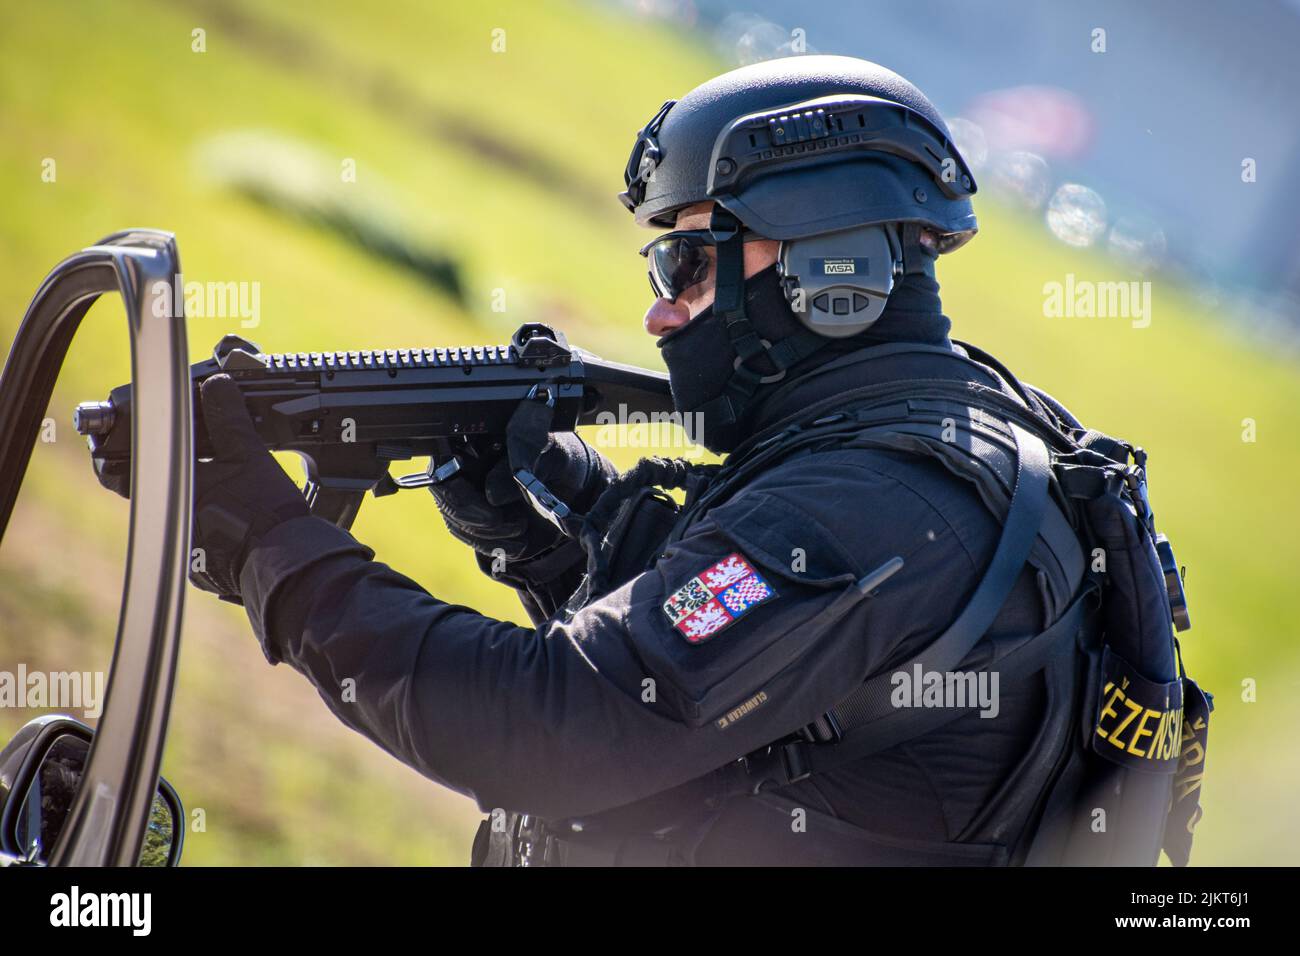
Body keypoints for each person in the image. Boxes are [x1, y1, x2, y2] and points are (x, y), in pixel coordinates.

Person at [156, 55, 1187, 866]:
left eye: (687, 262)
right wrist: (544, 539)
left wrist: (270, 543)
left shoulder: (874, 503)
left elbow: (545, 725)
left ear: (833, 271)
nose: (660, 307)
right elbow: (770, 682)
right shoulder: (955, 427)